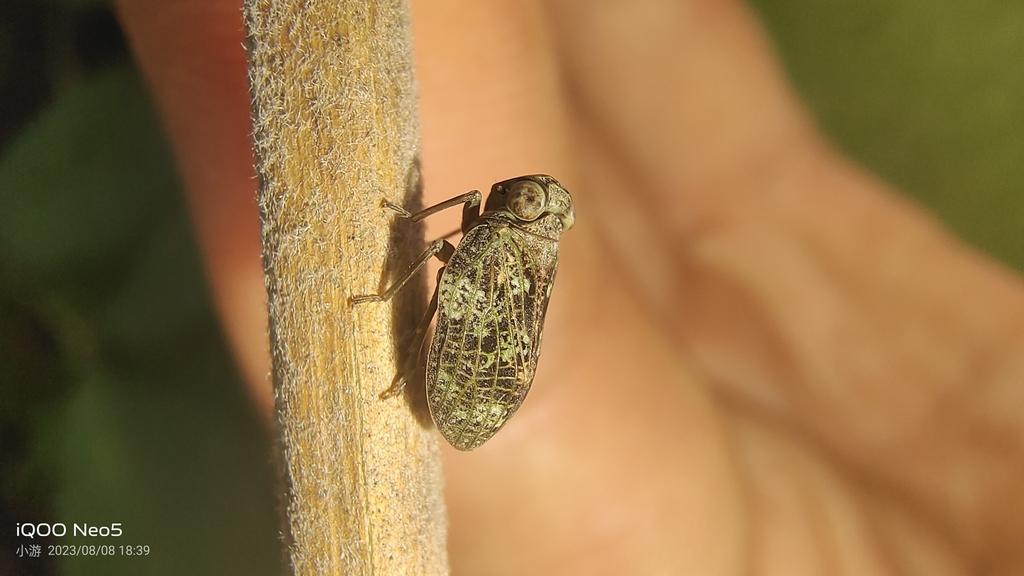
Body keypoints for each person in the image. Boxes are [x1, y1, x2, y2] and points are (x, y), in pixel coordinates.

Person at [118, 0, 1024, 572]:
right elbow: (458, 248)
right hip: (471, 377)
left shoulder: (506, 247)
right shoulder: (512, 241)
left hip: (467, 381)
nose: (512, 197)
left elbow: (458, 269)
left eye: (522, 200)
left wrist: (405, 293)